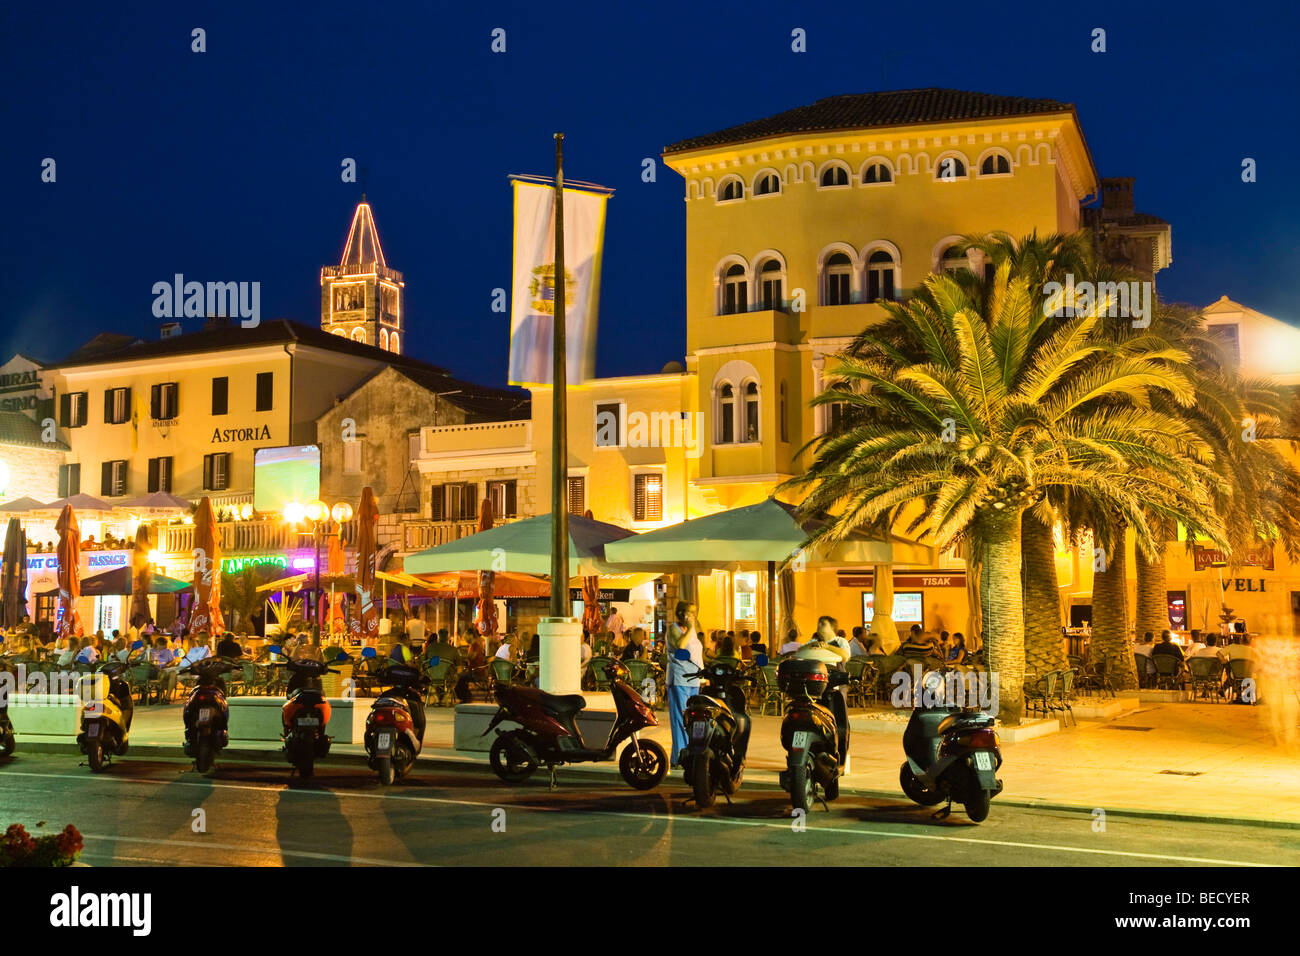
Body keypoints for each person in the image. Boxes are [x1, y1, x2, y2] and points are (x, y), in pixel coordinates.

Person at [666, 601, 703, 767]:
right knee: (681, 718)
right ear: (680, 613)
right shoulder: (673, 629)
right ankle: (680, 757)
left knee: (695, 719)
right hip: (679, 679)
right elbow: (680, 646)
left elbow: (696, 654)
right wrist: (690, 627)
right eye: (689, 613)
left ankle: (692, 754)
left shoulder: (692, 631)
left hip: (694, 679)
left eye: (694, 613)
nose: (692, 617)